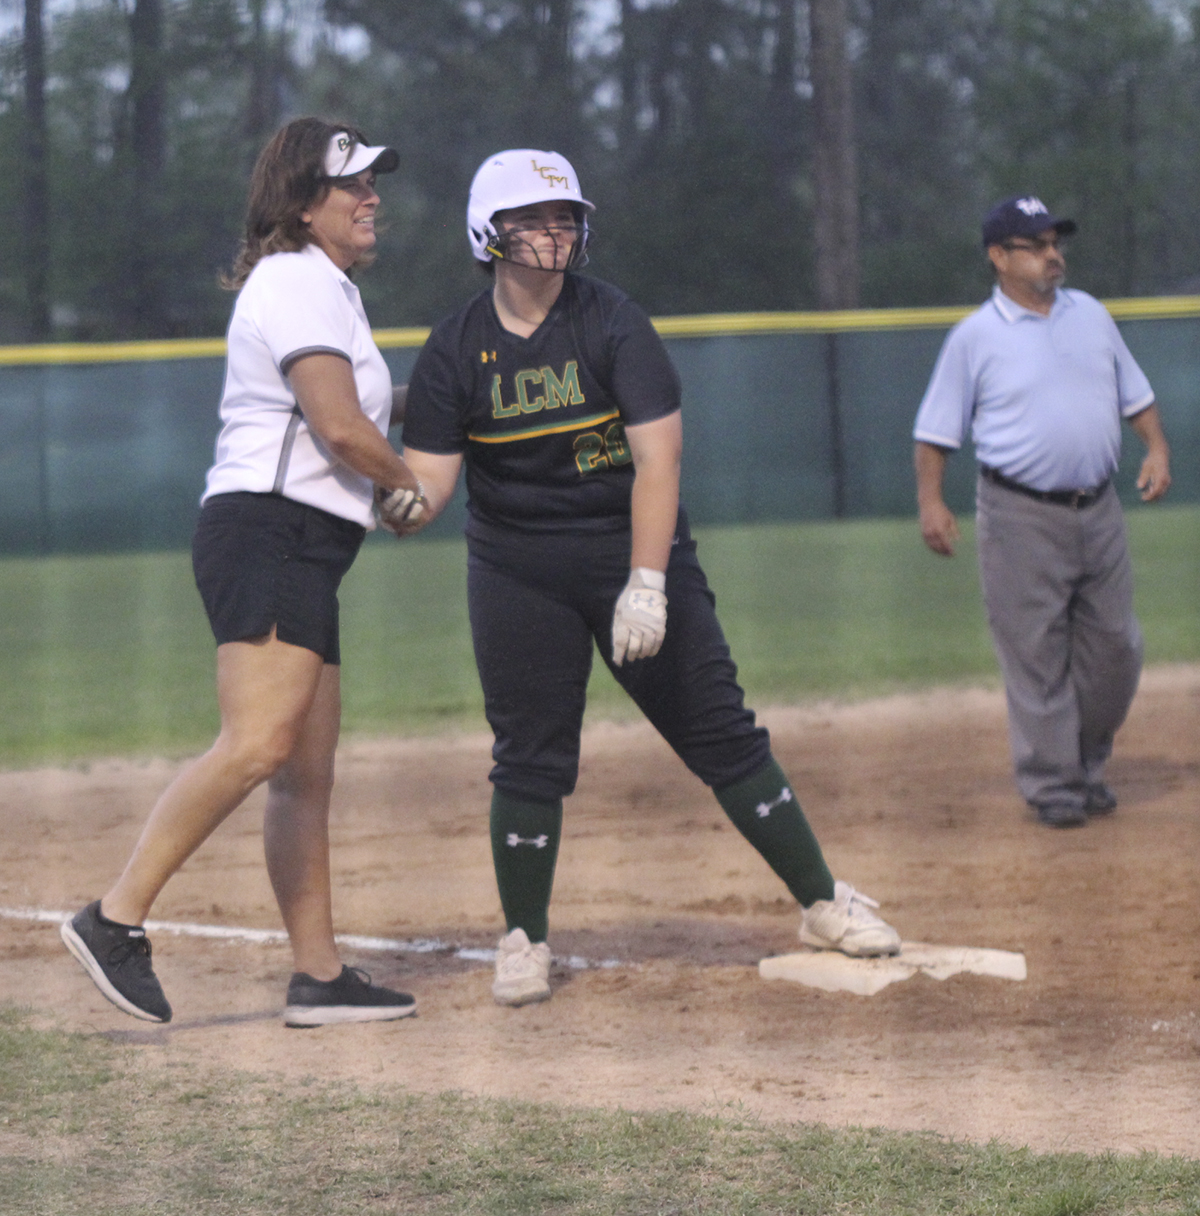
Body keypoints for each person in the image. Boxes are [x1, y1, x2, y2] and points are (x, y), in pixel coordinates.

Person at [396, 148, 901, 1007]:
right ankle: (523, 938)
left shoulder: (613, 321)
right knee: (529, 754)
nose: (555, 233)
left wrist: (646, 582)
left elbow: (659, 462)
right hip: (516, 571)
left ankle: (822, 902)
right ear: (487, 231)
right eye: (533, 220)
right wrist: (401, 501)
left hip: (630, 549)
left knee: (720, 729)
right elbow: (433, 483)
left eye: (565, 218)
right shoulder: (454, 348)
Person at [61, 117, 428, 1026]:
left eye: (373, 181)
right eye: (353, 184)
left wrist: (451, 401)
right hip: (270, 532)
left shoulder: (326, 288)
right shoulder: (297, 279)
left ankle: (319, 977)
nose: (371, 196)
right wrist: (405, 483)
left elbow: (351, 413)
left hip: (302, 541)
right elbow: (338, 427)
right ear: (302, 206)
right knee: (259, 744)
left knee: (305, 772)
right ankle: (114, 918)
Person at [913, 195, 1171, 829]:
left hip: (1099, 507)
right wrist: (931, 501)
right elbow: (935, 432)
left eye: (1056, 243)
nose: (1053, 255)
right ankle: (1056, 784)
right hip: (1018, 514)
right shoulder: (975, 337)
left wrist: (1156, 447)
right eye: (1036, 245)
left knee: (1117, 650)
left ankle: (1081, 763)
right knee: (1035, 655)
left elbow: (1134, 395)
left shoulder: (1091, 316)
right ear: (999, 257)